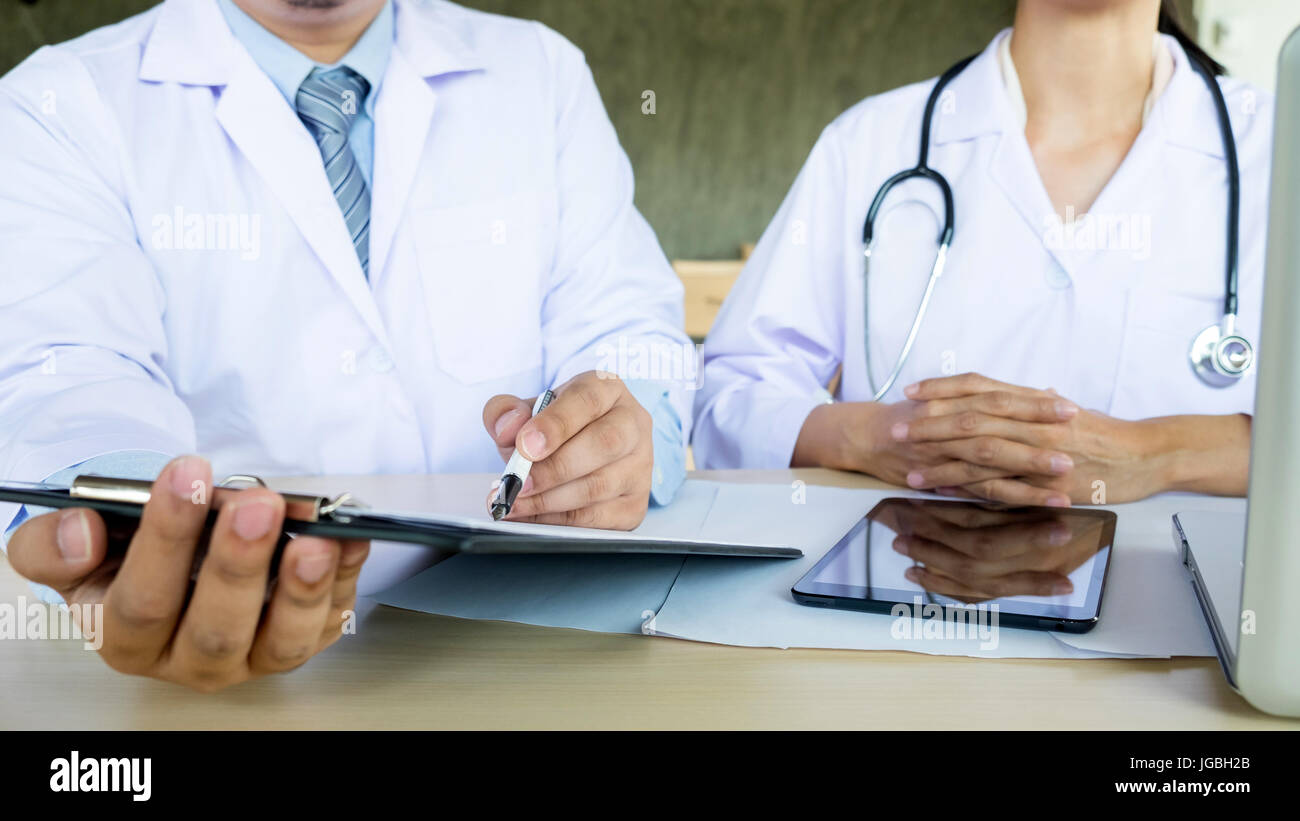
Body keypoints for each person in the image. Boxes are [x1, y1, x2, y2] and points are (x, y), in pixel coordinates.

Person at [0, 0, 691, 691]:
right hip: (219, 687)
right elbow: (66, 381)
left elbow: (626, 327)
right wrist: (141, 530)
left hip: (536, 655)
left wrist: (621, 433)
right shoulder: (60, 105)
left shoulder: (542, 73)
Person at [692, 0, 1270, 508]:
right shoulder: (869, 144)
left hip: (1186, 625)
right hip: (890, 621)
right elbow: (734, 396)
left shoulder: (1277, 147)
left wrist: (1151, 454)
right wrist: (871, 438)